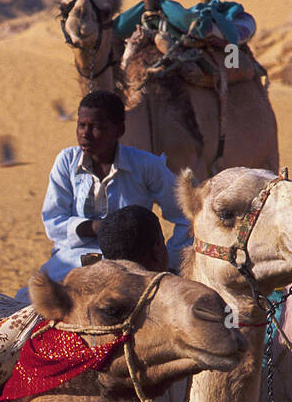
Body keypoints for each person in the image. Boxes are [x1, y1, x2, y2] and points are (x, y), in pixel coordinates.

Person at [36, 90, 190, 286]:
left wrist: (170, 262)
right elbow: (53, 221)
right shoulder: (66, 161)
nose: (85, 134)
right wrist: (99, 228)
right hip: (70, 261)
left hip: (129, 267)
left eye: (95, 127)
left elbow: (185, 215)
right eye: (81, 125)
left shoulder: (146, 165)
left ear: (119, 130)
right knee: (27, 301)